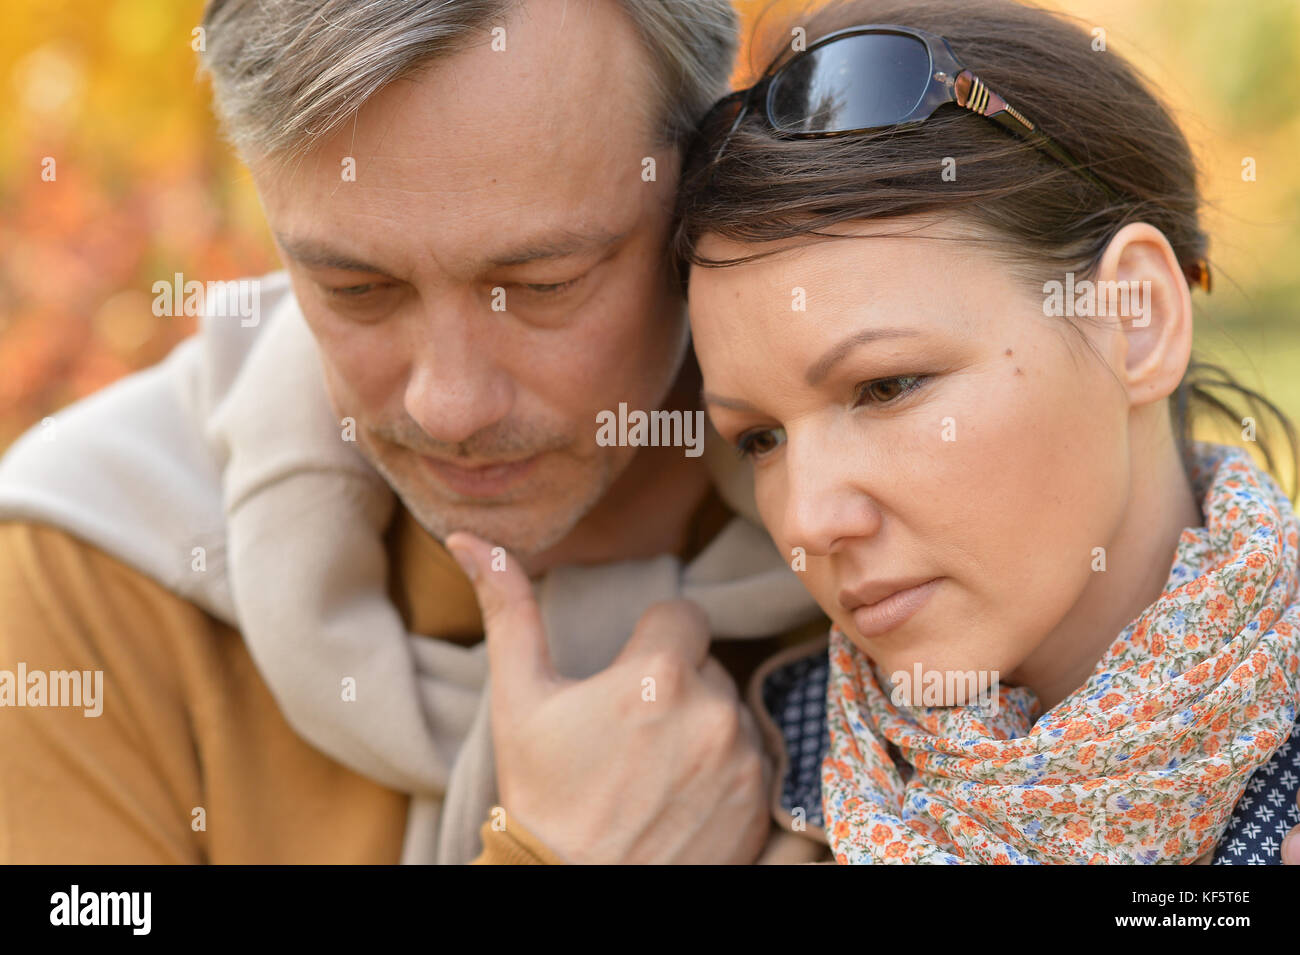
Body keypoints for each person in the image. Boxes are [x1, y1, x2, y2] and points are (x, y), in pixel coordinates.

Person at [0, 0, 831, 865]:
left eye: (544, 284)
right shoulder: (94, 568)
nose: (450, 405)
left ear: (701, 176)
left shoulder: (909, 534)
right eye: (355, 289)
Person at [673, 0, 1300, 863]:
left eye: (885, 385)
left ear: (1136, 317)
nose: (809, 521)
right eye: (761, 439)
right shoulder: (719, 782)